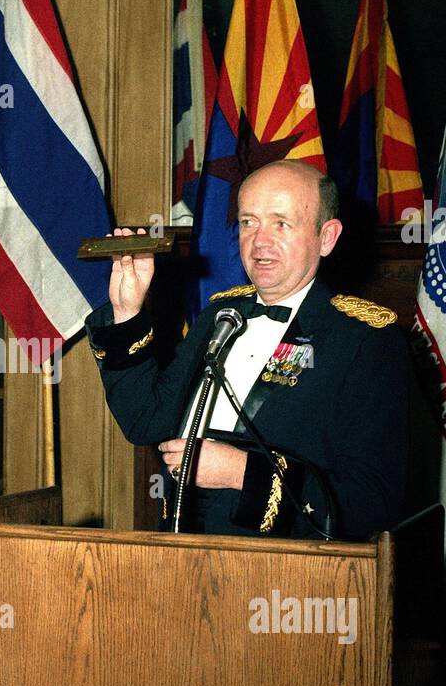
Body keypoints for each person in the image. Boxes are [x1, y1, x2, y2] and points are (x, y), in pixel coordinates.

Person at [86, 159, 409, 539]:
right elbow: (146, 422)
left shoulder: (365, 341)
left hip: (286, 582)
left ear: (327, 237)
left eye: (281, 223)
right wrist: (127, 312)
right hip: (179, 556)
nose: (259, 241)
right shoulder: (219, 317)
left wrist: (241, 473)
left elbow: (373, 502)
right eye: (248, 222)